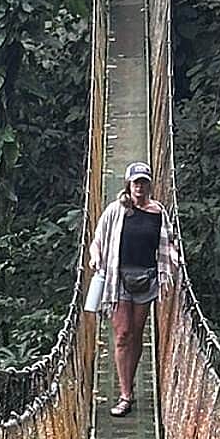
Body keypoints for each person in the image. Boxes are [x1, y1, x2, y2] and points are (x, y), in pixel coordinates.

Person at [89, 162, 178, 417]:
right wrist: (95, 258)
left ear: (150, 184)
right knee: (123, 334)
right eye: (136, 182)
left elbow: (168, 241)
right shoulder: (116, 211)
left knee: (137, 335)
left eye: (144, 182)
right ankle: (125, 394)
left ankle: (130, 379)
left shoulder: (158, 211)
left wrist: (174, 258)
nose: (140, 187)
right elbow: (97, 241)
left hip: (147, 279)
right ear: (128, 184)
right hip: (119, 279)